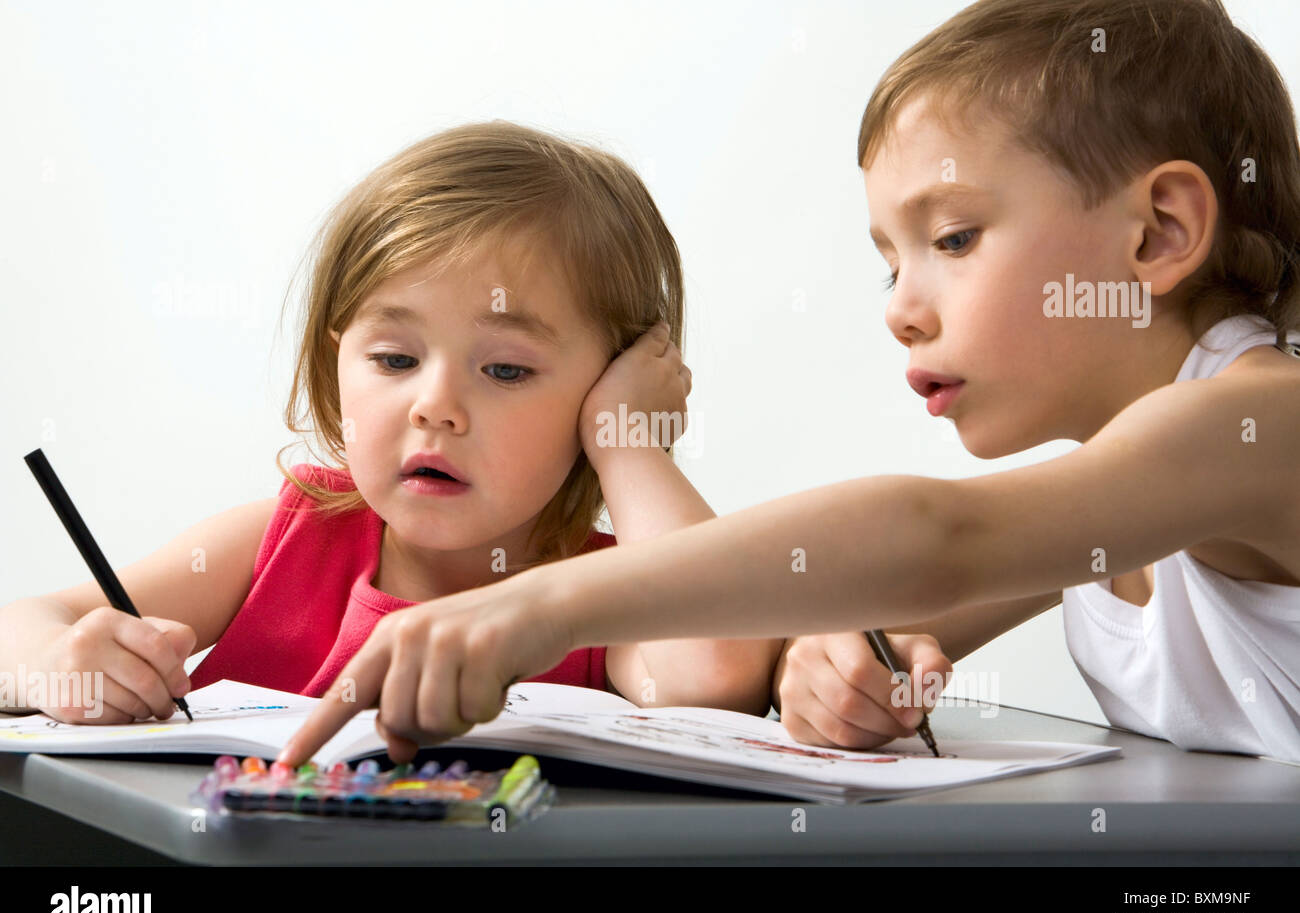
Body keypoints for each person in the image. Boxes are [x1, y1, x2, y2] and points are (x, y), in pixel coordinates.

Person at [277, 0, 1300, 768]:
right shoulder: (1110, 507)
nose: (901, 306)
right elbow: (890, 614)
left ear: (1158, 232)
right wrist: (841, 660)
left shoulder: (1257, 422)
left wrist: (533, 609)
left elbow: (941, 541)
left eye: (953, 237)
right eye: (889, 262)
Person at [0, 120, 783, 736]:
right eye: (396, 358)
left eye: (506, 370)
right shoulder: (282, 542)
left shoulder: (602, 600)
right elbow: (19, 626)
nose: (433, 406)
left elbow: (714, 670)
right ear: (339, 362)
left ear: (601, 392)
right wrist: (53, 664)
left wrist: (628, 441)